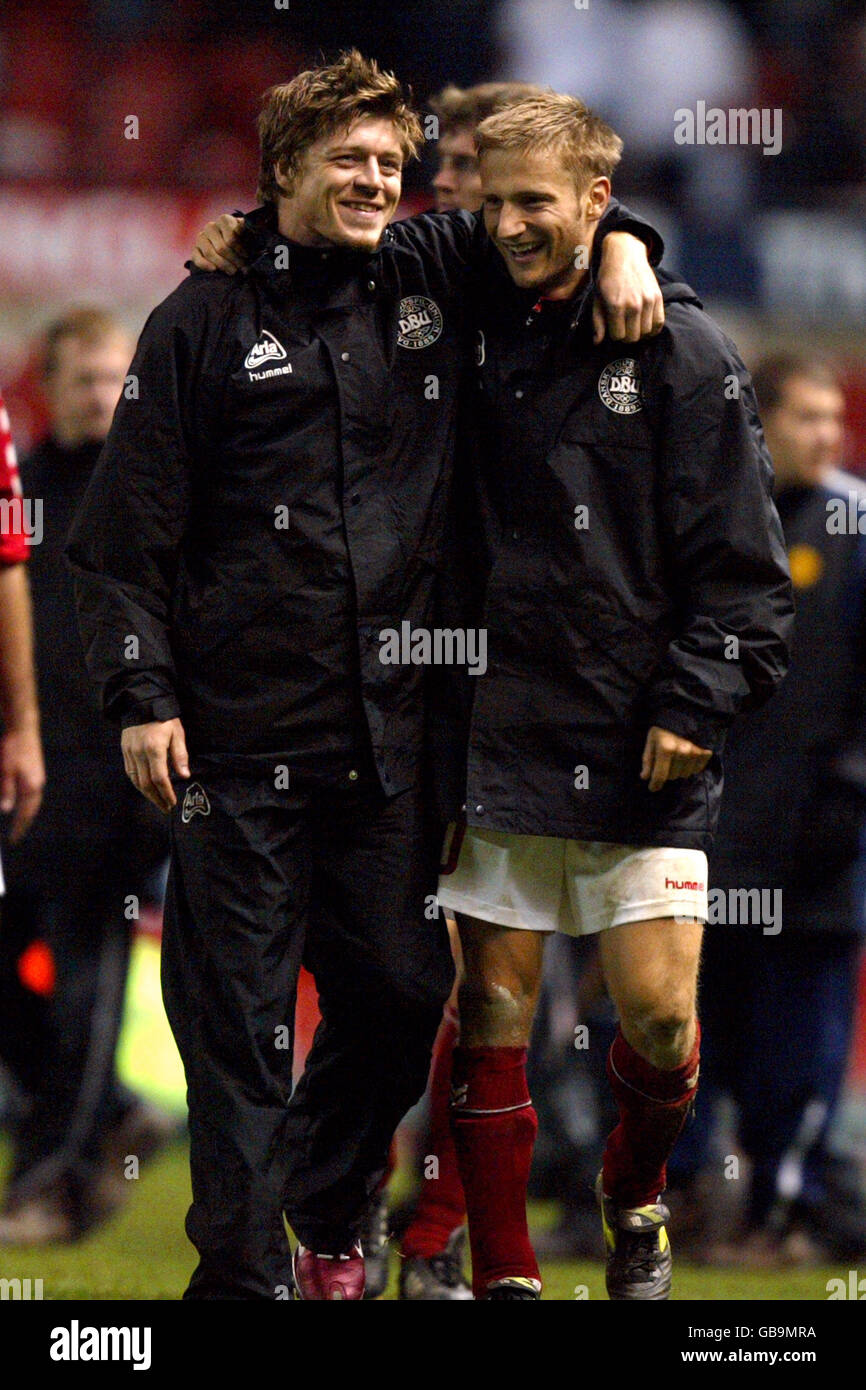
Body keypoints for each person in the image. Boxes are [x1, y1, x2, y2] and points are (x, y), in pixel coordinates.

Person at [68, 52, 662, 1301]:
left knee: (397, 1001)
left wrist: (632, 245)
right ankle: (241, 1279)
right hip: (226, 749)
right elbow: (122, 542)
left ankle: (325, 1201)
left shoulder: (430, 270)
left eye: (392, 163)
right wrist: (141, 695)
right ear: (282, 167)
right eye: (349, 159)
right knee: (236, 1035)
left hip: (387, 748)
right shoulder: (198, 321)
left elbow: (547, 220)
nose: (377, 180)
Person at [430, 92, 793, 1300]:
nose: (509, 224)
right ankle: (506, 1275)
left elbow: (743, 573)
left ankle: (634, 1198)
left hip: (642, 742)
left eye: (535, 202)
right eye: (493, 201)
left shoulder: (682, 351)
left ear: (595, 202)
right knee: (489, 1004)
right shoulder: (471, 313)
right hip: (496, 727)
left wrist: (695, 701)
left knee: (658, 1025)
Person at [669, 354, 866, 1268]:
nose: (828, 437)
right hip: (709, 839)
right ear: (759, 418)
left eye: (836, 420)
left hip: (819, 851)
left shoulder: (858, 527)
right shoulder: (706, 513)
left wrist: (849, 790)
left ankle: (783, 1214)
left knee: (801, 1054)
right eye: (809, 418)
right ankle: (692, 1207)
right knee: (684, 1036)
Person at [0, 310, 174, 1246]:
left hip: (115, 781)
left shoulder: (162, 489)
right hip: (25, 772)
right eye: (85, 379)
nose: (104, 395)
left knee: (85, 982)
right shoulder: (17, 484)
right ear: (49, 385)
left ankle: (49, 1178)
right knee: (19, 976)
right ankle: (105, 1109)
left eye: (117, 377)